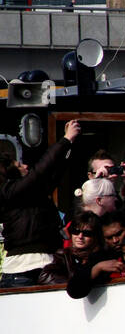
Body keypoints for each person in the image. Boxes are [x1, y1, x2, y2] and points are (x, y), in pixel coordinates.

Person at [0, 119, 80, 289]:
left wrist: (69, 144)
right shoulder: (10, 192)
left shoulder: (32, 193)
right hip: (22, 271)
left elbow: (53, 175)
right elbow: (41, 171)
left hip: (43, 265)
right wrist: (64, 140)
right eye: (20, 165)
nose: (26, 165)